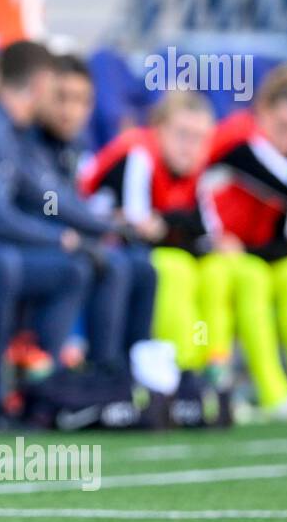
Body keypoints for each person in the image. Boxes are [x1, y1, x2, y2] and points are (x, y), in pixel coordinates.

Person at [0, 40, 91, 427]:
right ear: (40, 83)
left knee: (73, 268)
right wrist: (55, 237)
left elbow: (45, 196)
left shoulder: (9, 128)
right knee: (2, 264)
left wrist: (107, 227)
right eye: (56, 90)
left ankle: (43, 386)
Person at [197, 71, 287, 420]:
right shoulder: (237, 140)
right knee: (254, 277)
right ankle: (271, 389)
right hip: (212, 248)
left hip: (251, 252)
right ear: (263, 112)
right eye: (283, 124)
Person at [81, 89, 236, 384]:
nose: (190, 146)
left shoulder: (195, 168)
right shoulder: (138, 154)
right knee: (174, 268)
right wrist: (175, 227)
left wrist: (170, 225)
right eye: (182, 134)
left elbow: (209, 234)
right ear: (159, 129)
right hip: (104, 247)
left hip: (156, 247)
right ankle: (181, 367)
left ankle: (215, 362)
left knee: (216, 270)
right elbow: (137, 228)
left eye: (200, 138)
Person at [31, 54, 156, 367]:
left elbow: (77, 204)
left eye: (81, 101)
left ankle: (133, 372)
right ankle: (102, 369)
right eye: (62, 98)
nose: (70, 111)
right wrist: (108, 228)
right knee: (110, 264)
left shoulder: (76, 146)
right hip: (37, 241)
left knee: (144, 265)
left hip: (68, 237)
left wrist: (108, 224)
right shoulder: (29, 141)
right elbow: (53, 203)